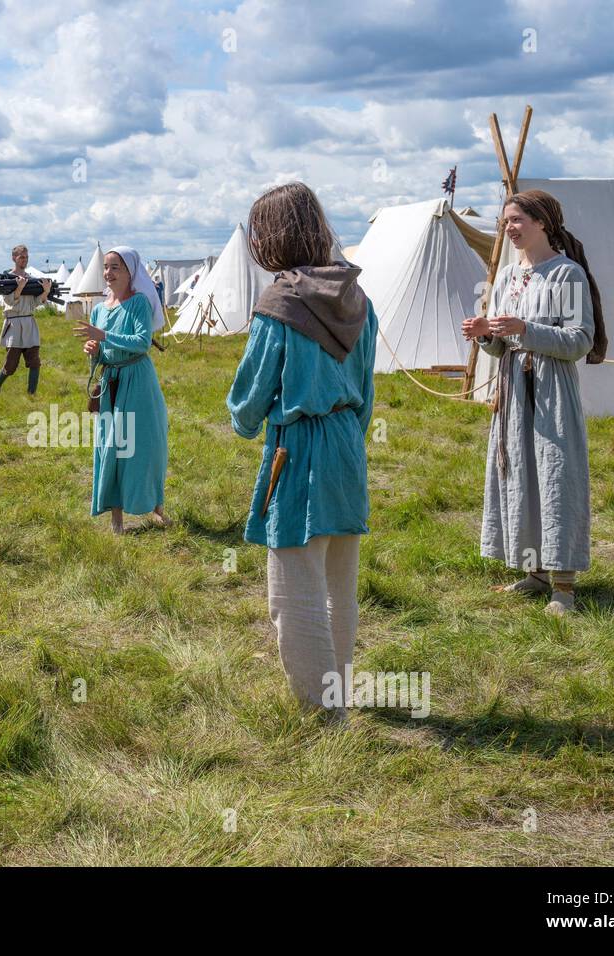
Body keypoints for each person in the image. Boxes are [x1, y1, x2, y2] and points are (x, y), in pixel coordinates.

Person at [226, 183, 377, 719]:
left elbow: (249, 399)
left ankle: (321, 708)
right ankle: (339, 691)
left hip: (298, 449)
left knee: (295, 588)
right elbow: (366, 392)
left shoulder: (280, 304)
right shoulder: (358, 298)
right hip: (345, 445)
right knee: (339, 581)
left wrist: (245, 418)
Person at [462, 189, 600, 616]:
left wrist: (526, 328)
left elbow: (580, 340)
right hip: (513, 391)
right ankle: (534, 571)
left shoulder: (566, 274)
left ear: (542, 222)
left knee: (555, 475)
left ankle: (564, 587)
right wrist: (487, 335)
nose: (510, 227)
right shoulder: (504, 277)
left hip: (551, 389)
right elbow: (501, 349)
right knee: (519, 475)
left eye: (518, 219)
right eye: (506, 221)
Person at [73, 247, 169, 533]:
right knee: (112, 446)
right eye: (106, 266)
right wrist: (93, 350)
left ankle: (156, 507)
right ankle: (116, 520)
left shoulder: (139, 303)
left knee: (146, 447)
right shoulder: (100, 309)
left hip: (138, 381)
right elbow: (102, 352)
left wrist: (103, 336)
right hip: (112, 384)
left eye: (115, 267)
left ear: (130, 272)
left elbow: (141, 342)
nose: (108, 273)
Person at [0, 244, 51, 395]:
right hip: (14, 324)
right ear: (14, 258)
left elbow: (36, 302)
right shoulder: (7, 279)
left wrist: (46, 292)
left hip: (29, 323)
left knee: (34, 362)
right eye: (21, 257)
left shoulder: (31, 280)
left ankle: (32, 394)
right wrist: (19, 288)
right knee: (11, 364)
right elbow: (10, 301)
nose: (24, 260)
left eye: (26, 257)